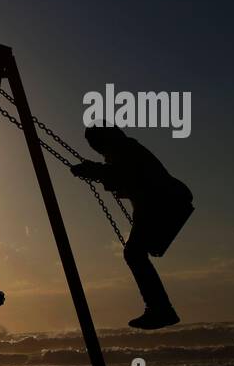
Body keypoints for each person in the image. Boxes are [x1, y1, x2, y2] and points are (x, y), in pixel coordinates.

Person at [71, 126, 193, 329]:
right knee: (135, 253)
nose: (95, 148)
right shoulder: (122, 150)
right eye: (92, 145)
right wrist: (97, 170)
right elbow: (122, 176)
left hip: (162, 204)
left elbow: (126, 174)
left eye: (96, 143)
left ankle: (161, 309)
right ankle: (160, 308)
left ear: (106, 138)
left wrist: (94, 171)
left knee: (134, 254)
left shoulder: (125, 149)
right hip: (160, 203)